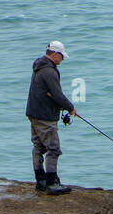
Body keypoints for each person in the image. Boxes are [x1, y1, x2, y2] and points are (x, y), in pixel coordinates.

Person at [25, 41, 76, 194]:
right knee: (53, 148)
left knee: (39, 147)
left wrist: (59, 104)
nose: (62, 59)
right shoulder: (49, 71)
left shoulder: (39, 67)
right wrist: (70, 107)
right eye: (61, 56)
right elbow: (57, 94)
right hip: (45, 116)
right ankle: (51, 183)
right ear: (55, 54)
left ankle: (40, 180)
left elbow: (45, 93)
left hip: (33, 113)